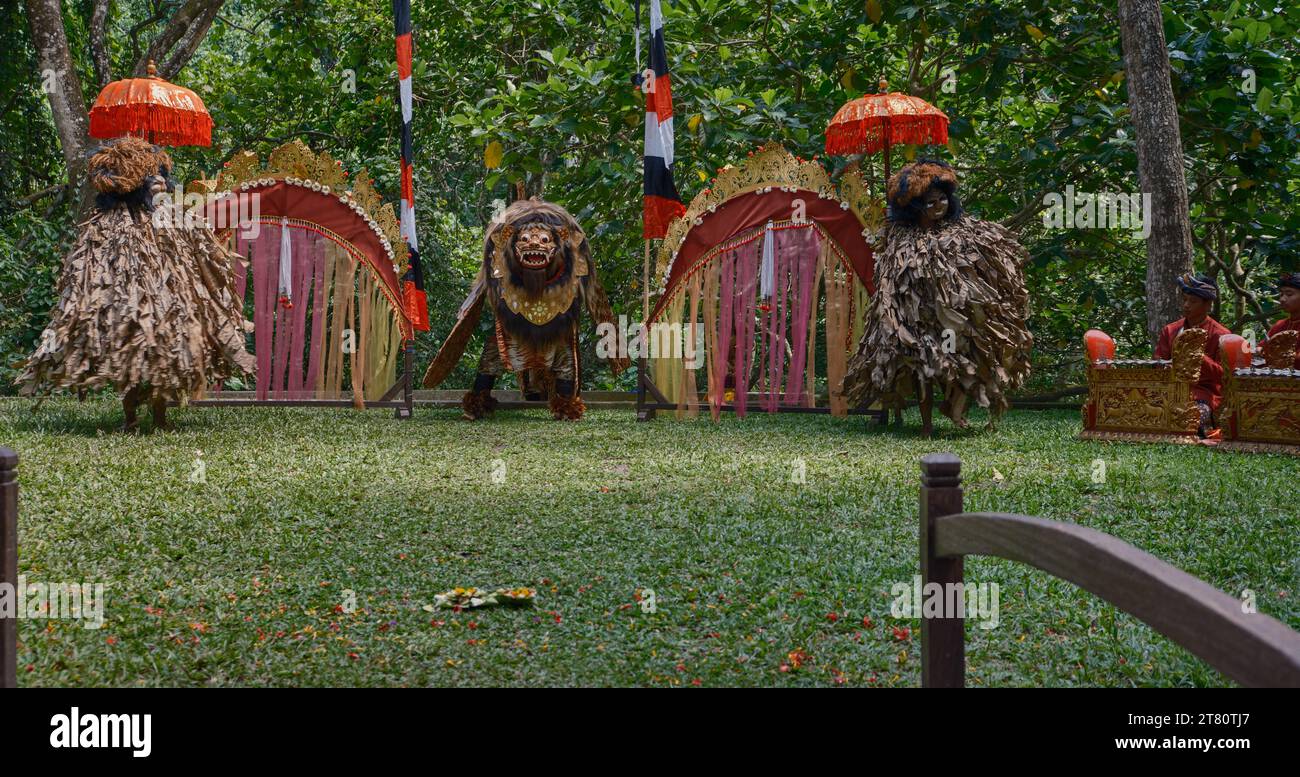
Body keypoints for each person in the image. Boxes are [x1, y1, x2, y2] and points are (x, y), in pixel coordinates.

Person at [18, 136, 255, 430]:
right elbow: (108, 185)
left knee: (159, 340)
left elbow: (162, 192)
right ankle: (134, 417)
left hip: (161, 254)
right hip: (120, 255)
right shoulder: (110, 178)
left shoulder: (164, 201)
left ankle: (156, 417)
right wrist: (139, 180)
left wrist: (157, 181)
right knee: (127, 338)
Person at [841, 159, 1033, 436]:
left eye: (943, 199)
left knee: (966, 355)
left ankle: (953, 407)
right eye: (931, 202)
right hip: (916, 318)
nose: (939, 206)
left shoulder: (964, 229)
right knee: (923, 370)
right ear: (916, 206)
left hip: (956, 316)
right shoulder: (901, 237)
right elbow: (893, 279)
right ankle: (927, 424)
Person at [1153, 273, 1232, 437]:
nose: (1186, 305)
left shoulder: (1221, 335)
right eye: (1185, 300)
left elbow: (1224, 376)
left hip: (1203, 394)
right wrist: (1164, 366)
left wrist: (1199, 357)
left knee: (1191, 418)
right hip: (1169, 391)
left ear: (1208, 305)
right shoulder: (1171, 330)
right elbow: (1158, 362)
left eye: (1193, 301)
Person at [1265, 272, 1300, 369]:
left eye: (1289, 294)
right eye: (1281, 294)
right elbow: (1262, 348)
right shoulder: (1279, 325)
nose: (1282, 299)